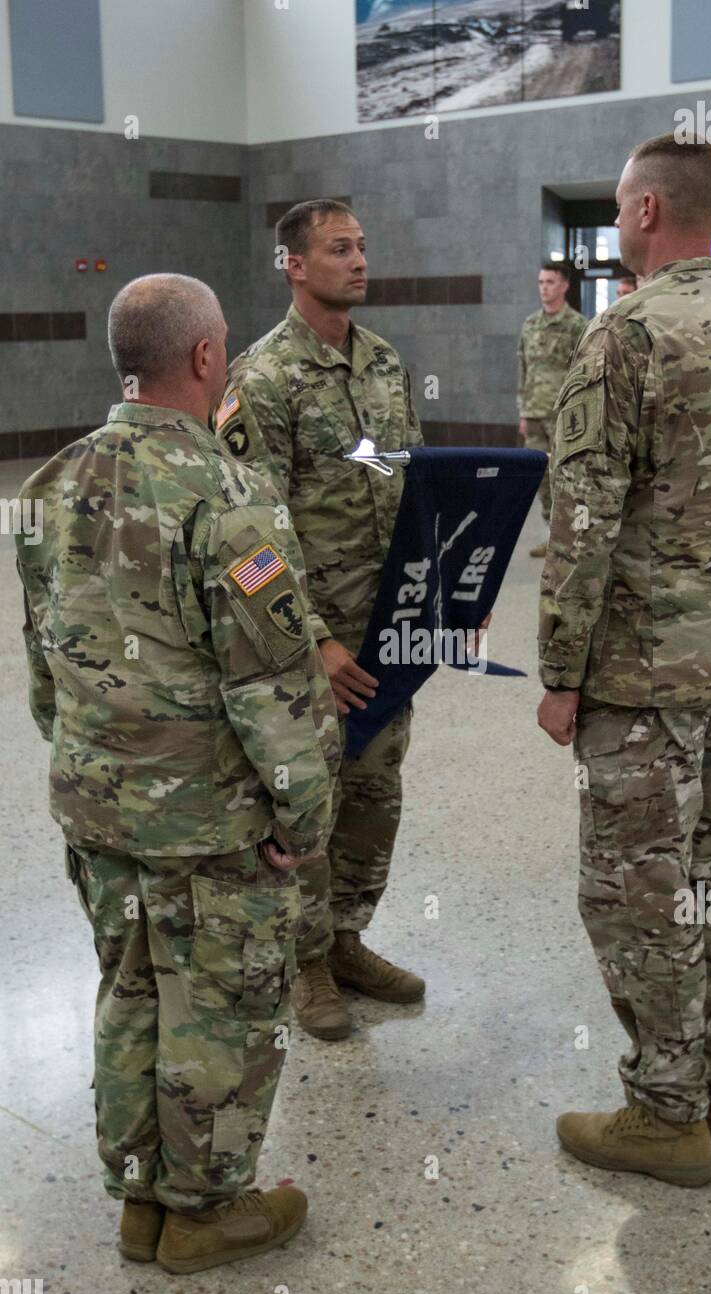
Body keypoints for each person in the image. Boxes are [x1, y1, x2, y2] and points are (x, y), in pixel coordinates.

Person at [15, 274, 339, 1273]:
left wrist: (88, 765)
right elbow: (271, 682)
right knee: (222, 1006)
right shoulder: (228, 492)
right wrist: (303, 813)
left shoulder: (49, 482)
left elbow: (43, 663)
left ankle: (140, 1199)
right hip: (209, 820)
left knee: (130, 990)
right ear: (205, 359)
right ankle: (207, 1210)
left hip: (98, 803)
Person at [536, 134, 711, 1187]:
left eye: (617, 207)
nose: (614, 223)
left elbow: (582, 521)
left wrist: (559, 673)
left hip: (643, 679)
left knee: (635, 894)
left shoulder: (626, 338)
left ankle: (663, 1114)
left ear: (647, 211)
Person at [215, 200, 425, 1043]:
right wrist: (315, 639)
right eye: (340, 249)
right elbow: (247, 534)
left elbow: (412, 482)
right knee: (307, 802)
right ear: (294, 264)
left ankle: (346, 939)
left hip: (386, 628)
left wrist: (432, 603)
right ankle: (304, 963)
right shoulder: (257, 379)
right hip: (308, 646)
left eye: (364, 246)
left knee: (376, 794)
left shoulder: (384, 362)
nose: (359, 261)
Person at [517, 262, 588, 556]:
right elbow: (523, 368)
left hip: (563, 415)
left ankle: (573, 537)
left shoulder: (577, 325)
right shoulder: (530, 324)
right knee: (540, 478)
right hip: (534, 412)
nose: (544, 287)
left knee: (567, 476)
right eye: (541, 282)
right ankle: (552, 535)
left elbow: (584, 371)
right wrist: (522, 410)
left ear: (564, 286)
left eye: (550, 282)